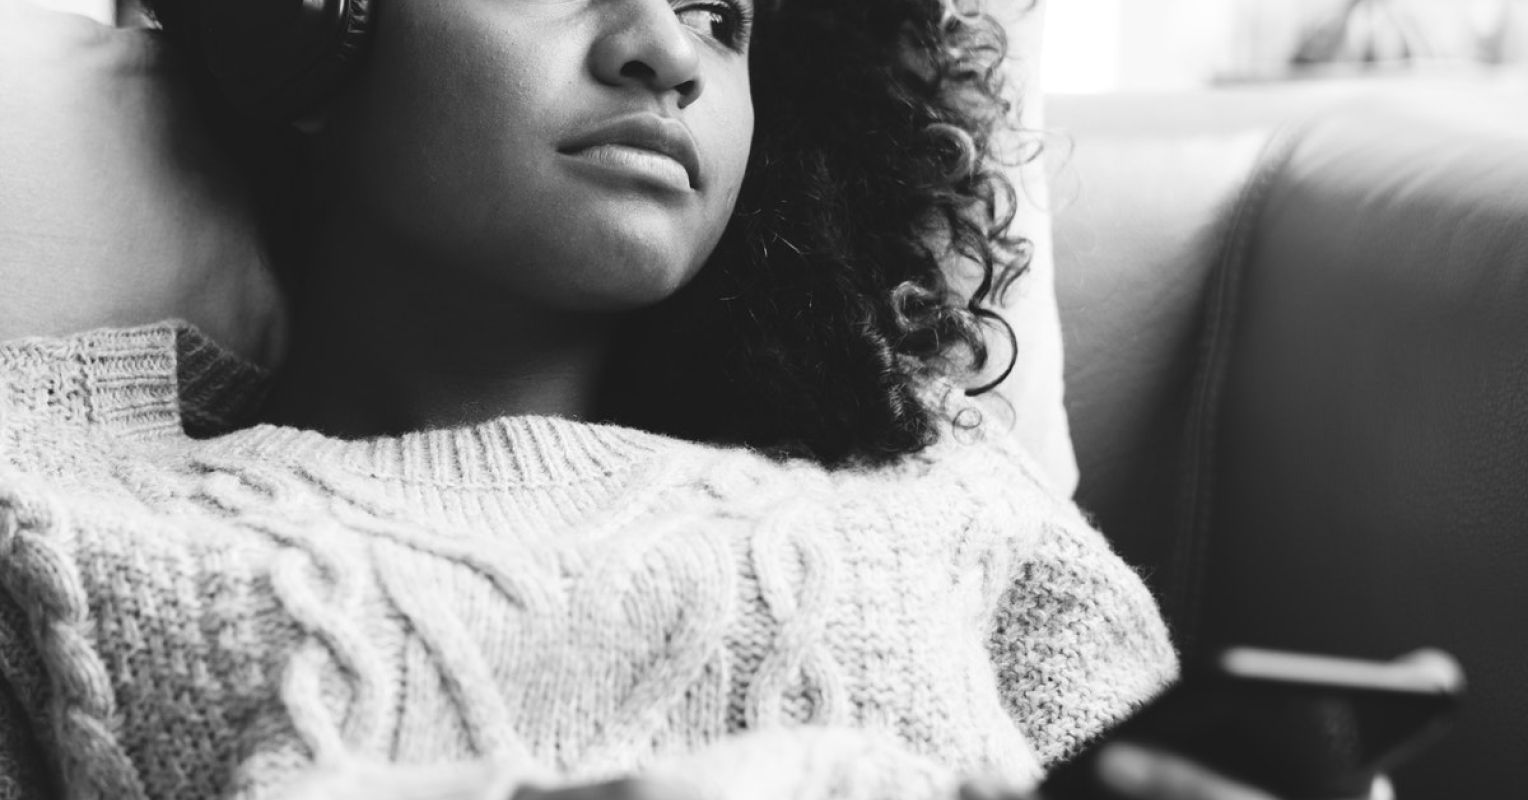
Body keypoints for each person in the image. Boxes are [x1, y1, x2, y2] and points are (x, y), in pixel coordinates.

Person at [0, 1, 1387, 799]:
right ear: (310, 25)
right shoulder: (56, 515)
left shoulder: (949, 500)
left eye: (724, 16)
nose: (667, 47)